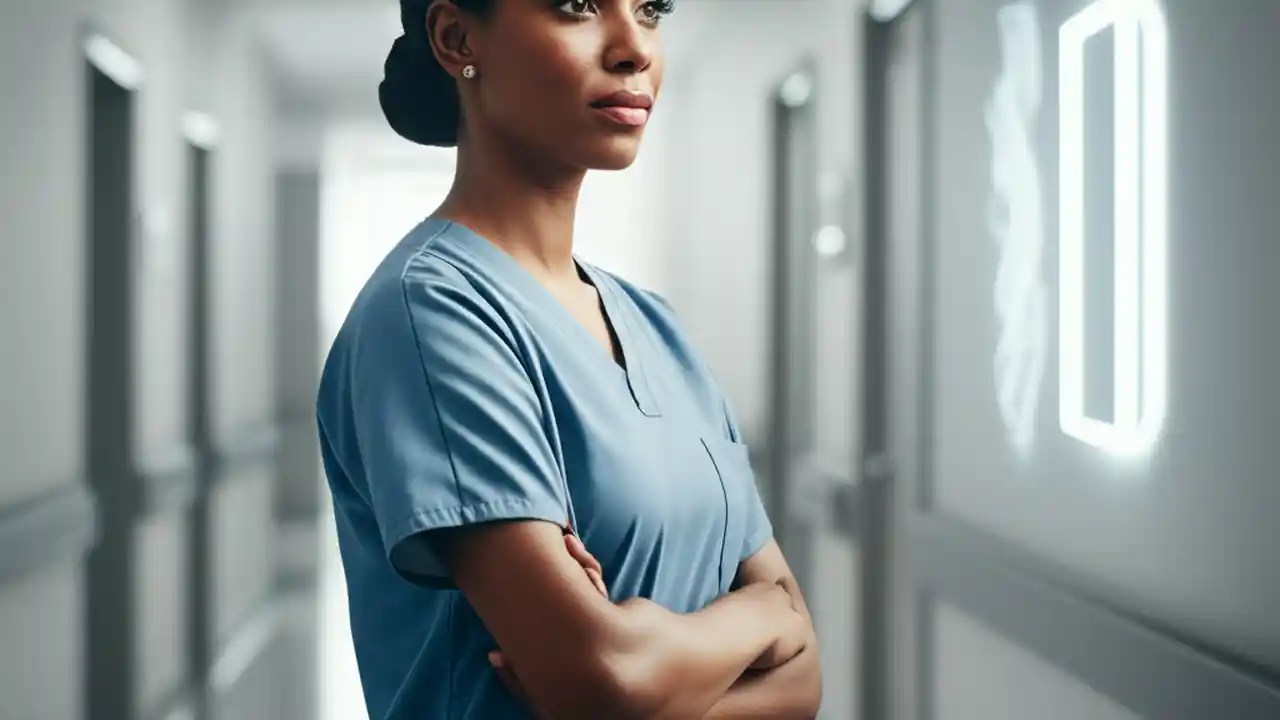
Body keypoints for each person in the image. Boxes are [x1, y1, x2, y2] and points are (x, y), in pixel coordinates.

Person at [314, 0, 822, 717]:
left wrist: (655, 659)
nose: (632, 49)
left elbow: (805, 684)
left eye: (650, 10)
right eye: (578, 7)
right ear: (457, 37)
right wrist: (762, 618)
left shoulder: (654, 325)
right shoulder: (429, 313)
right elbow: (602, 678)